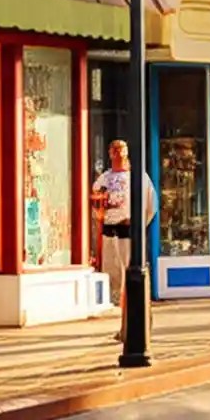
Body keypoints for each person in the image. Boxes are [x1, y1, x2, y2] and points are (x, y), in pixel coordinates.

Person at [92, 139, 155, 342]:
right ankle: (124, 325)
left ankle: (134, 325)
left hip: (128, 233)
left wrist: (138, 224)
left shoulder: (139, 178)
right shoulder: (103, 179)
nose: (119, 154)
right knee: (116, 282)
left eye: (122, 150)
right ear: (110, 153)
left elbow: (151, 205)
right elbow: (96, 205)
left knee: (132, 280)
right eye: (115, 150)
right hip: (110, 233)